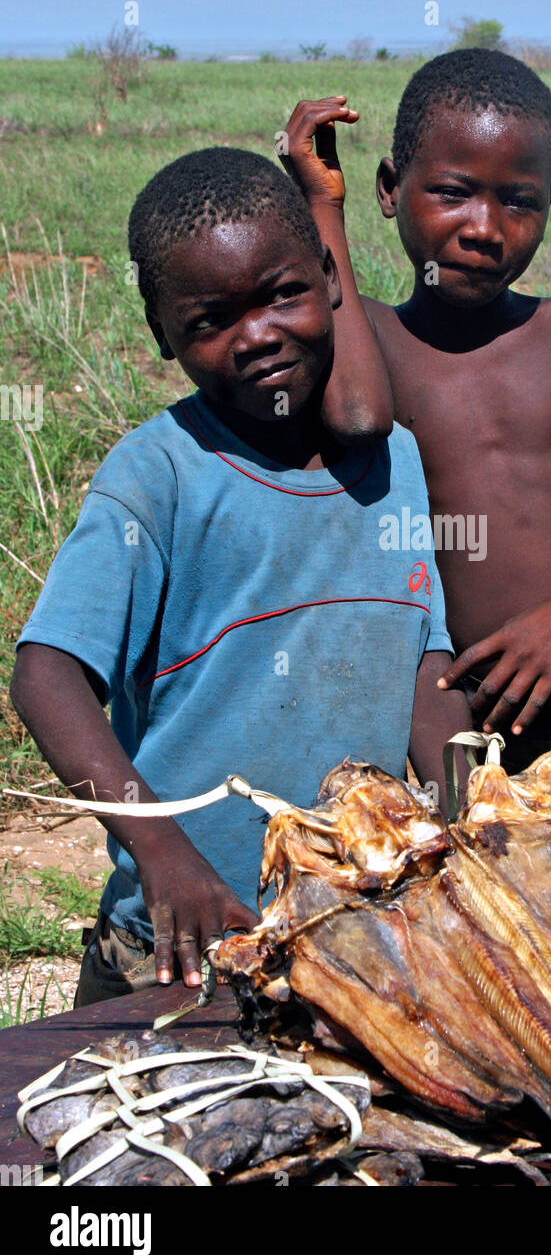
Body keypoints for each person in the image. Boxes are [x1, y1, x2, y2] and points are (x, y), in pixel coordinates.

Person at [10, 146, 469, 1005]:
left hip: (355, 928)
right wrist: (162, 851)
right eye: (210, 321)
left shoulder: (395, 463)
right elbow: (46, 675)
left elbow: (423, 660)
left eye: (281, 293)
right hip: (182, 945)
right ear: (162, 336)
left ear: (330, 276)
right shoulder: (159, 477)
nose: (257, 334)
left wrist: (466, 811)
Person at [282, 49, 551, 773]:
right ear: (390, 190)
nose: (486, 227)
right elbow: (354, 410)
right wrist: (321, 203)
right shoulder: (375, 345)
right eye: (454, 192)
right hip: (483, 721)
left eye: (520, 201)